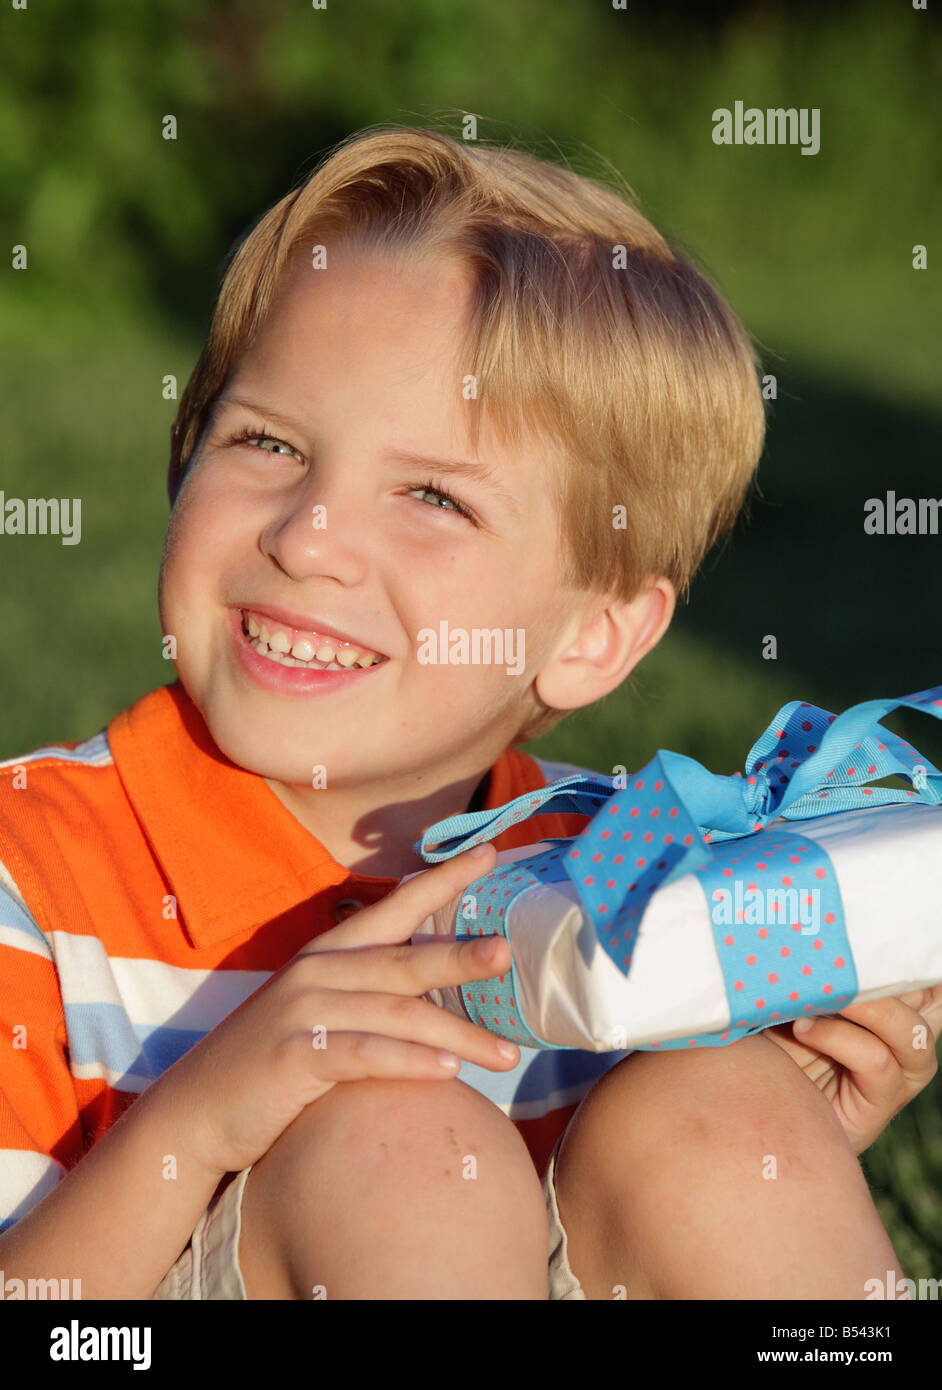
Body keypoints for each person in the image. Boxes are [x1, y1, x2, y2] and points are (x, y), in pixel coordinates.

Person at [0, 125, 938, 1301]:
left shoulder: (613, 860)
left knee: (719, 1111)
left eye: (433, 494)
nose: (309, 537)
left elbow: (635, 1208)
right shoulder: (30, 873)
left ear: (594, 636)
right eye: (268, 441)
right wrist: (199, 1117)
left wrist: (788, 1130)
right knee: (401, 1152)